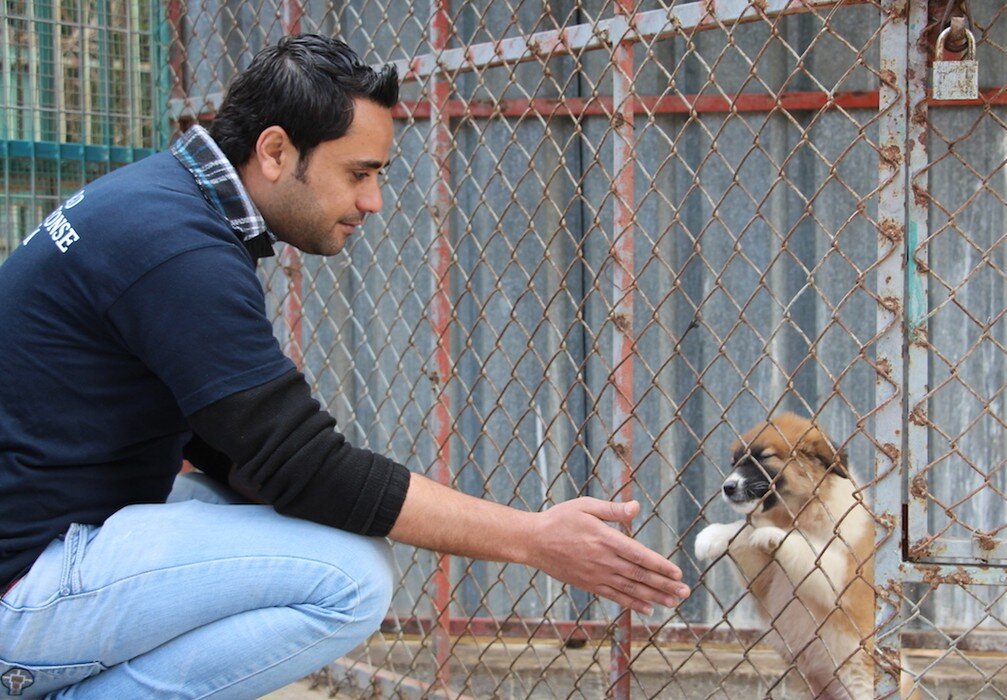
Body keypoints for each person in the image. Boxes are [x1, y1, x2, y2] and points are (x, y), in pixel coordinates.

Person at [0, 34, 688, 698]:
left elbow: (234, 445)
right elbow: (298, 461)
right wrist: (534, 539)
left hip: (46, 537)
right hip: (23, 582)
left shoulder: (158, 203)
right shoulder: (177, 248)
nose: (372, 202)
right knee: (350, 575)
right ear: (275, 150)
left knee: (303, 519)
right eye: (358, 173)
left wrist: (314, 489)